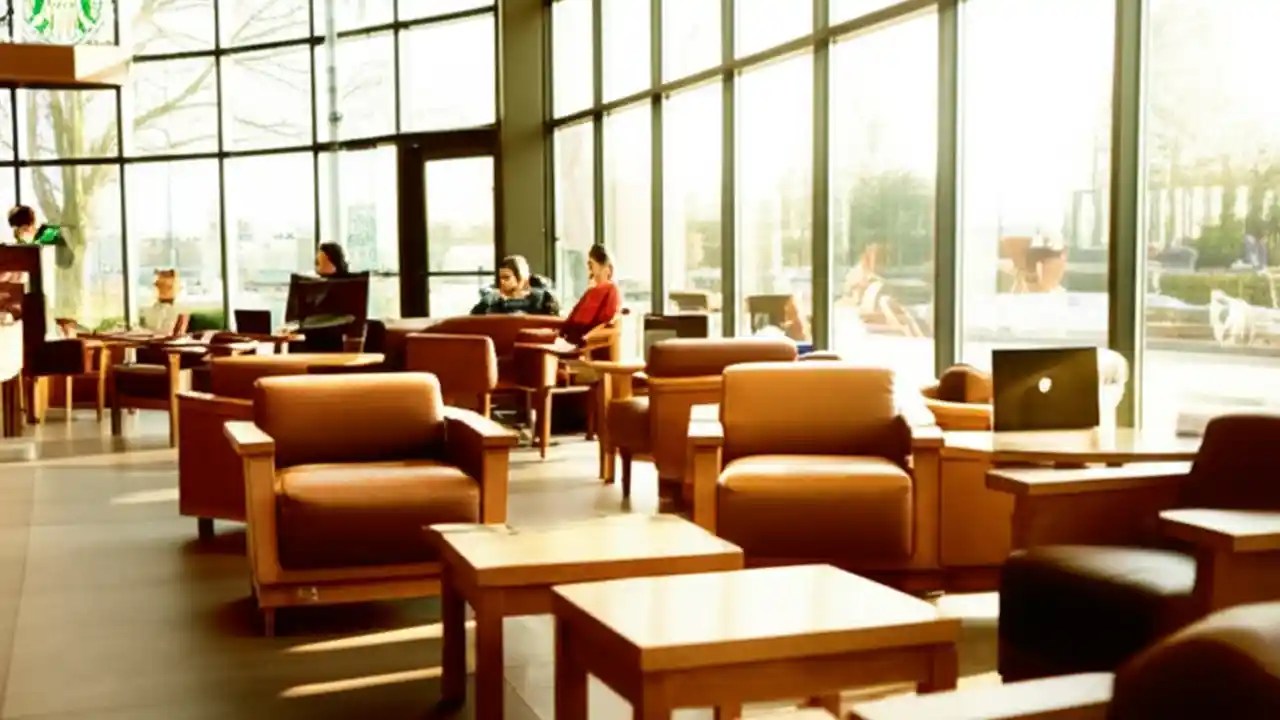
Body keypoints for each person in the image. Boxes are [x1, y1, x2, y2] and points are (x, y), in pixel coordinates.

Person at [560, 244, 620, 346]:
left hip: (583, 335)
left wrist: (587, 336)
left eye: (591, 263)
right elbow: (575, 312)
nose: (588, 267)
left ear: (604, 266)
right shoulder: (591, 290)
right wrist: (562, 332)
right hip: (573, 334)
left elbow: (606, 320)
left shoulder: (611, 289)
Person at [471, 255, 560, 316]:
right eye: (500, 278)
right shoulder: (490, 301)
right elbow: (472, 323)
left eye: (506, 278)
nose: (502, 282)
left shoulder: (544, 300)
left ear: (520, 277)